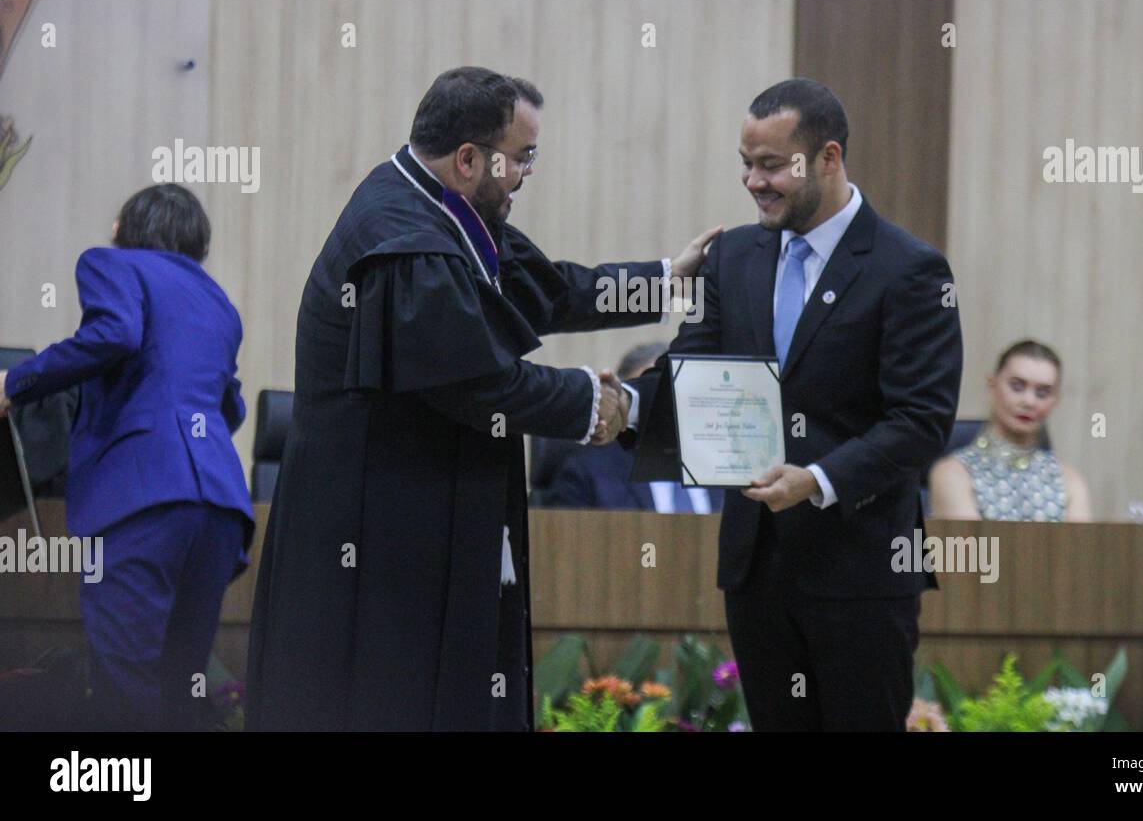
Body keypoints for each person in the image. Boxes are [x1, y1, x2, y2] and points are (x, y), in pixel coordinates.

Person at [246, 66, 719, 731]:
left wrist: (669, 280)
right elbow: (479, 383)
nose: (527, 172)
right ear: (469, 159)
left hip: (415, 528)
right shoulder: (406, 243)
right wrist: (596, 402)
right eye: (522, 157)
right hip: (376, 549)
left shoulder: (443, 212)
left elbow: (550, 291)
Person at [622, 78, 963, 731]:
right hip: (758, 572)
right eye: (746, 164)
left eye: (771, 165)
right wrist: (621, 406)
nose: (753, 182)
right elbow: (693, 376)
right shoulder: (732, 257)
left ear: (828, 158)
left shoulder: (911, 269)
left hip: (860, 573)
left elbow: (921, 423)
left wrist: (818, 480)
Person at [0, 184, 253, 730]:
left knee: (124, 689)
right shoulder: (219, 304)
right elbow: (229, 407)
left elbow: (114, 334)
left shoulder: (112, 264)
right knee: (180, 690)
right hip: (219, 512)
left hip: (145, 503)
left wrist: (15, 384)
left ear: (124, 228)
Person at [544, 342, 722, 512]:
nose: (664, 406)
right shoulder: (587, 475)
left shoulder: (725, 470)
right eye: (650, 396)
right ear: (622, 406)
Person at [928, 340, 1092, 522]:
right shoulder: (953, 474)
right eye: (1017, 387)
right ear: (992, 385)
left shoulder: (1070, 482)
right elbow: (972, 549)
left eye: (1042, 393)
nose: (1029, 401)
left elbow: (1081, 549)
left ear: (1055, 400)